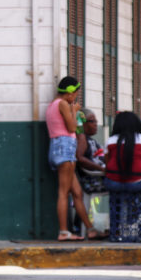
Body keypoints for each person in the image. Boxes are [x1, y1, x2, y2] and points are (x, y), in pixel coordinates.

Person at [46, 76, 104, 241]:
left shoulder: (52, 105)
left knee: (77, 192)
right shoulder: (63, 104)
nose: (76, 98)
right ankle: (63, 231)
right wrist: (74, 111)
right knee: (64, 192)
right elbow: (71, 128)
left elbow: (76, 130)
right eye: (76, 94)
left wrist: (77, 115)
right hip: (64, 147)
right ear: (70, 93)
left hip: (60, 147)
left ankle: (90, 229)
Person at [102, 111, 141, 240]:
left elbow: (107, 162)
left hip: (113, 183)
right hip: (137, 183)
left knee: (117, 199)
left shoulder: (110, 141)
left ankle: (116, 229)